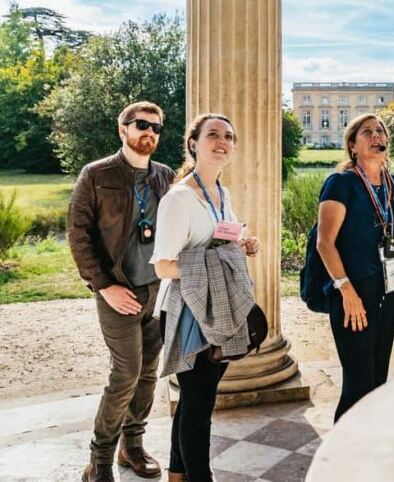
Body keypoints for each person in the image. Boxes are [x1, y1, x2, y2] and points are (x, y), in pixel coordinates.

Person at [68, 101, 174, 482]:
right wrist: (104, 285)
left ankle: (133, 446)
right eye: (141, 125)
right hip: (119, 292)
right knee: (126, 372)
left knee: (147, 373)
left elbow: (183, 226)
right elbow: (78, 236)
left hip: (158, 291)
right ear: (122, 130)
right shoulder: (96, 174)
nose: (149, 132)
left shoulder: (165, 176)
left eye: (156, 128)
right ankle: (99, 460)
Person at [150, 113, 259, 482]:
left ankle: (177, 473)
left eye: (229, 136)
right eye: (213, 134)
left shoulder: (222, 193)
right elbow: (163, 267)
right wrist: (215, 264)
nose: (222, 141)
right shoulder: (178, 198)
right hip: (185, 310)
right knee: (199, 405)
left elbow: (221, 241)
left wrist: (241, 245)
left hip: (218, 306)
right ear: (193, 143)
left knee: (196, 399)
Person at [316, 113, 394, 422]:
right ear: (352, 145)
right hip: (353, 292)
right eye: (367, 132)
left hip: (388, 290)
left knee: (378, 381)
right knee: (358, 384)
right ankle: (339, 461)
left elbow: (390, 238)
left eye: (380, 131)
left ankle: (367, 452)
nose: (376, 136)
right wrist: (347, 291)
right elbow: (325, 242)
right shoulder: (341, 183)